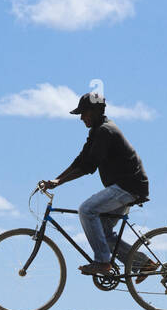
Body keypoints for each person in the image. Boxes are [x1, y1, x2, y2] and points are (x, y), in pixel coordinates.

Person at [38, 92, 158, 276]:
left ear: (95, 111)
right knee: (102, 231)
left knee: (86, 210)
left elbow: (88, 166)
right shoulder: (96, 131)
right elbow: (81, 160)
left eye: (84, 113)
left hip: (128, 186)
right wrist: (56, 180)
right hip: (126, 186)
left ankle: (102, 262)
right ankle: (143, 263)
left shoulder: (105, 131)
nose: (81, 118)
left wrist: (60, 182)